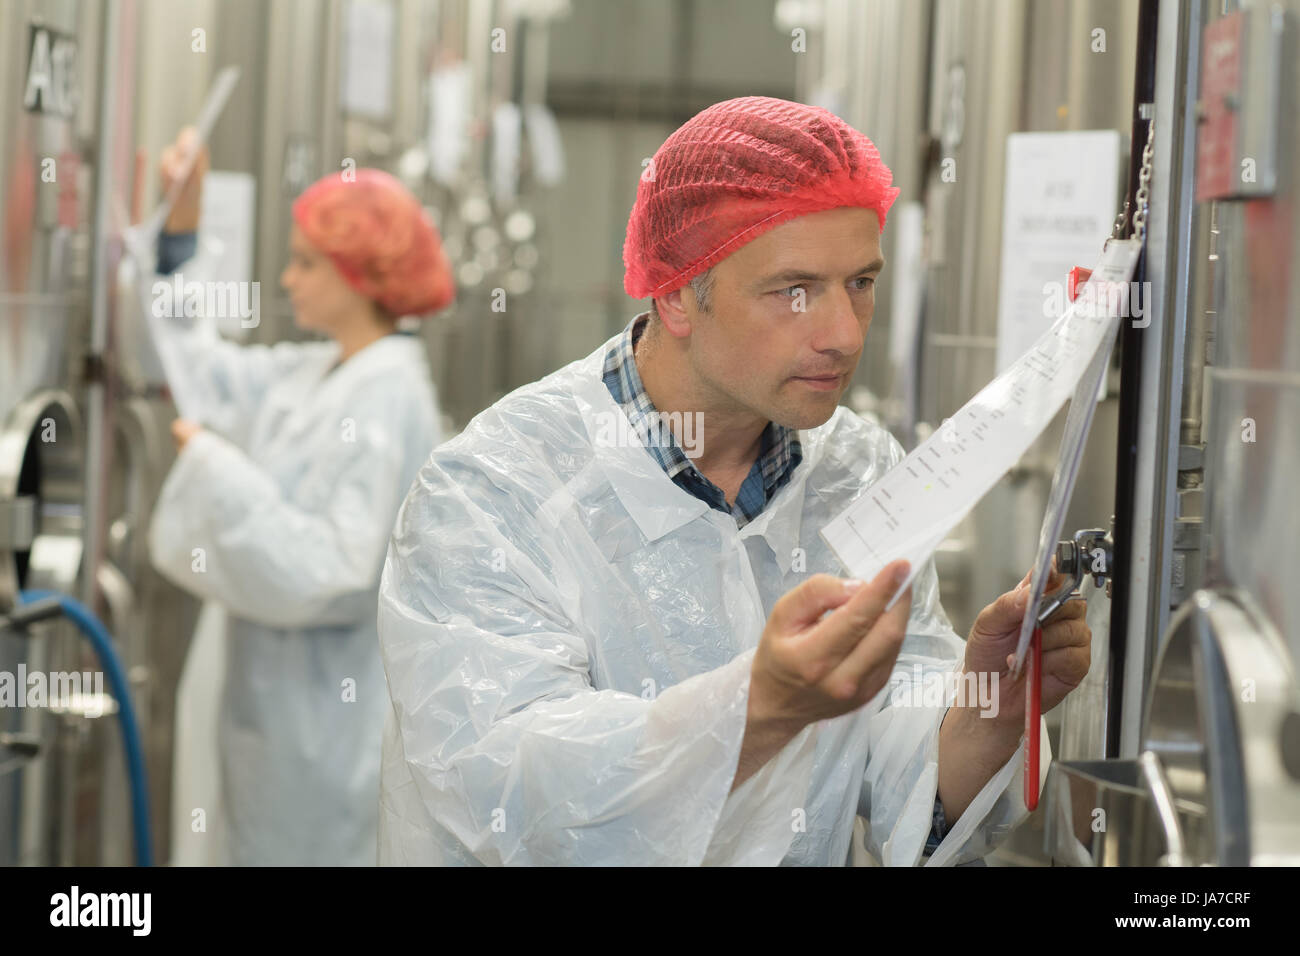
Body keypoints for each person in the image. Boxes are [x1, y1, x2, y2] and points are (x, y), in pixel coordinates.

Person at [375, 97, 1090, 866]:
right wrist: (759, 710)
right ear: (678, 294)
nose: (844, 333)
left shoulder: (857, 472)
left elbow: (895, 774)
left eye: (860, 282)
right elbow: (509, 793)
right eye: (794, 290)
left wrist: (988, 707)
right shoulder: (495, 491)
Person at [147, 130, 454, 865]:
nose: (287, 282)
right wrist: (178, 238)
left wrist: (217, 471)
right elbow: (205, 376)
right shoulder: (322, 371)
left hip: (319, 729)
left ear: (362, 276)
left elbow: (335, 572)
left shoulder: (386, 396)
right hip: (272, 718)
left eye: (305, 264)